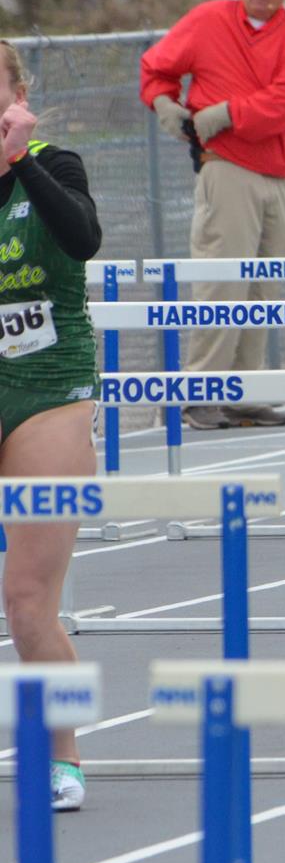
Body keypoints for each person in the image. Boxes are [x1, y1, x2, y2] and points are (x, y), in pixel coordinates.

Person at [140, 0, 285, 428]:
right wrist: (163, 104)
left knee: (263, 289)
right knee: (223, 283)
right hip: (226, 167)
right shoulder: (208, 20)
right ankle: (199, 391)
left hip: (279, 173)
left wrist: (230, 112)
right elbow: (156, 68)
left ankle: (242, 391)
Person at [0, 40, 105, 812]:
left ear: (16, 97)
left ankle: (62, 757)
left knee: (28, 596)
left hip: (47, 392)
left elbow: (82, 238)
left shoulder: (56, 164)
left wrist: (18, 161)